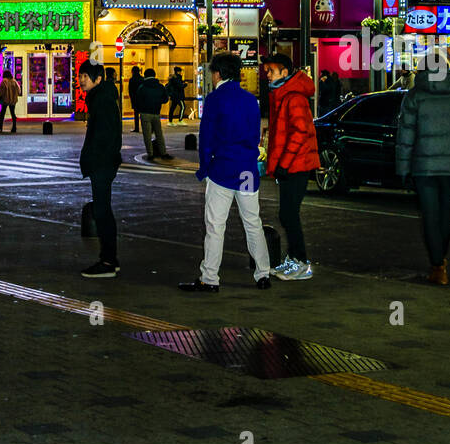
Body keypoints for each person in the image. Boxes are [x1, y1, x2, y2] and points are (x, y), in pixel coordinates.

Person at [179, 53, 271, 293]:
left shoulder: (214, 99)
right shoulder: (251, 100)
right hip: (247, 168)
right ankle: (263, 273)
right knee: (253, 222)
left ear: (217, 73)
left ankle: (210, 278)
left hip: (222, 168)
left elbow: (207, 139)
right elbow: (256, 135)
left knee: (216, 225)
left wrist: (204, 168)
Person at [395, 50, 450, 286]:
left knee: (430, 217)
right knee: (445, 215)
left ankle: (437, 265)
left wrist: (403, 170)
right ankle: (442, 260)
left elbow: (405, 138)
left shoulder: (414, 97)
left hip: (424, 167)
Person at [264, 54, 321, 280]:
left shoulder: (293, 97)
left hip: (297, 164)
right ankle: (295, 260)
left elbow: (299, 133)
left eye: (271, 71)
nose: (267, 75)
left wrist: (284, 165)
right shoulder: (283, 95)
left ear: (285, 72)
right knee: (287, 214)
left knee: (288, 214)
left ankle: (301, 263)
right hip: (293, 164)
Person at [78, 56, 122, 278]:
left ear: (97, 78)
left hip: (102, 163)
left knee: (102, 210)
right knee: (102, 209)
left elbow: (104, 135)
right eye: (80, 76)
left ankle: (108, 261)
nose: (81, 81)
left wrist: (95, 160)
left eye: (84, 76)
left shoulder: (102, 100)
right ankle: (109, 259)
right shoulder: (101, 97)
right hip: (104, 162)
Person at [135, 67, 172, 162]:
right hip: (156, 113)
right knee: (159, 134)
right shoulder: (160, 86)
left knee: (147, 135)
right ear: (154, 75)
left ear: (145, 75)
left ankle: (150, 154)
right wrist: (157, 101)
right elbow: (165, 99)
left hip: (145, 113)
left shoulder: (142, 87)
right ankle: (163, 153)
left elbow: (137, 101)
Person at [127, 65, 143, 133]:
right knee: (143, 114)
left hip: (135, 99)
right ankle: (144, 128)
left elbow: (130, 90)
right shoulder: (142, 79)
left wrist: (132, 98)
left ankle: (137, 128)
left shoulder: (132, 79)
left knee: (136, 114)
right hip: (142, 99)